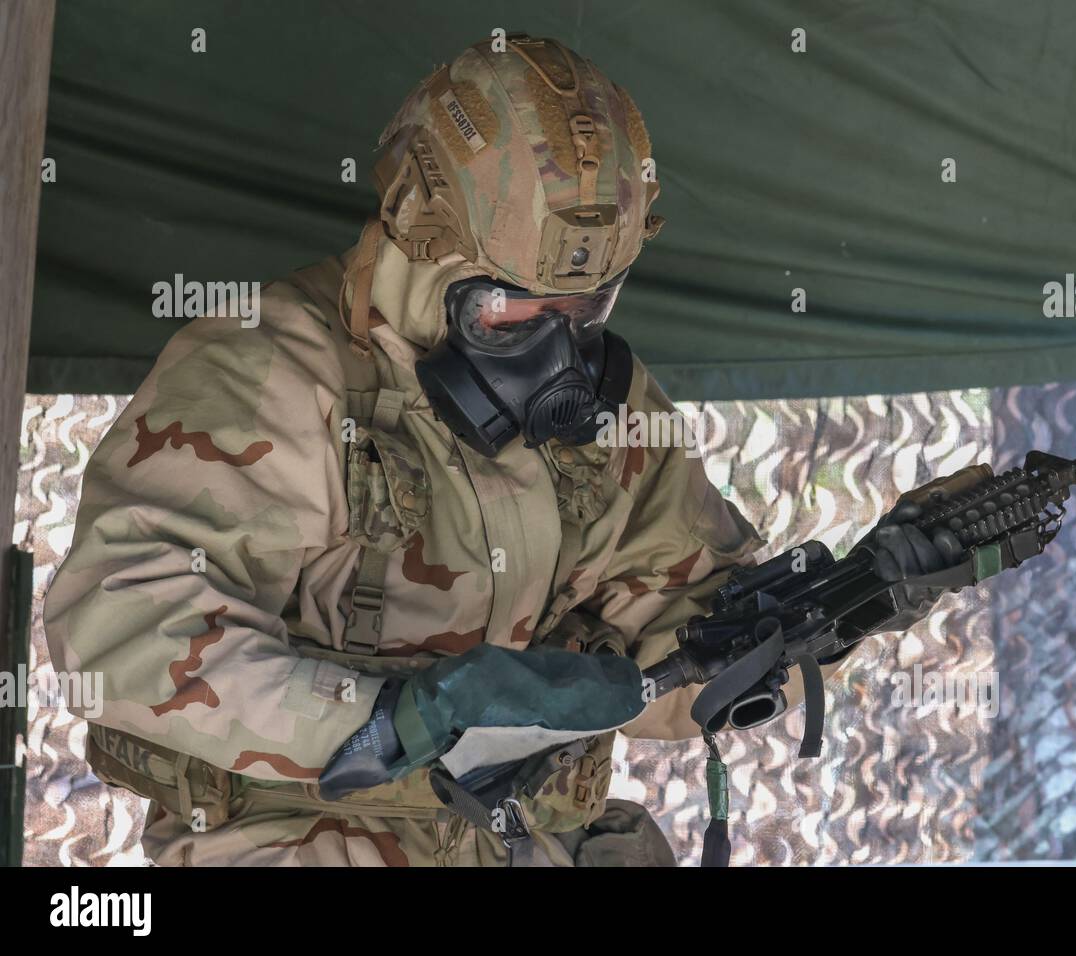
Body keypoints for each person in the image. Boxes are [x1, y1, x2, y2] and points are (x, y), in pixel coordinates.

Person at [43, 35, 963, 867]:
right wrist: (396, 721)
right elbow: (116, 628)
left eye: (590, 309)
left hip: (523, 844)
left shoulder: (610, 408)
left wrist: (847, 607)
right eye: (511, 311)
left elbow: (674, 668)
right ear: (425, 254)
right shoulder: (273, 372)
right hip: (297, 842)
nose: (560, 354)